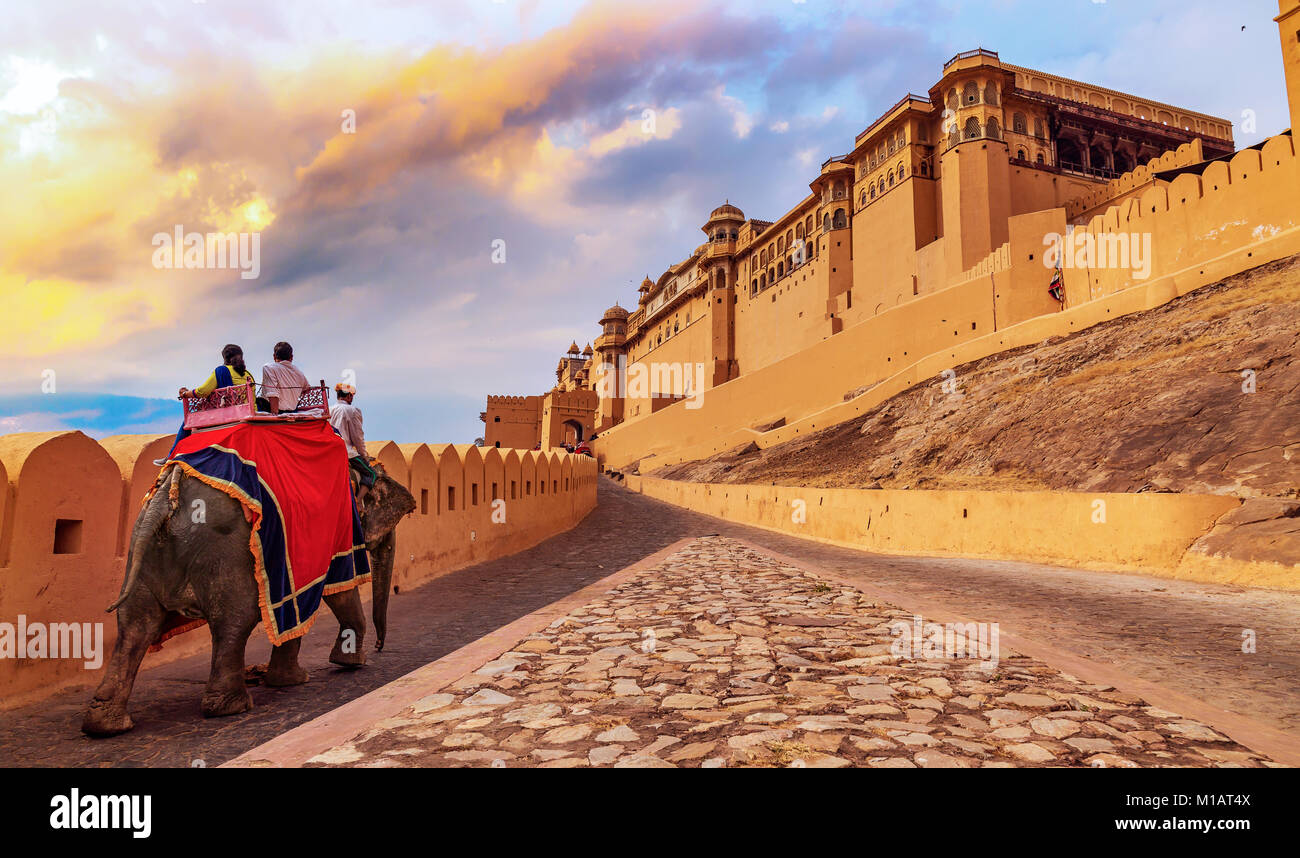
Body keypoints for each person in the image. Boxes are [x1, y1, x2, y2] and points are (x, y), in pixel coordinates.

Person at [156, 344, 257, 465]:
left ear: (224, 358)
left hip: (230, 414)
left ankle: (171, 456)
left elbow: (203, 391)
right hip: (250, 411)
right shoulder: (248, 374)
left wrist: (185, 394)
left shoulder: (221, 370)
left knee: (187, 422)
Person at [330, 383, 377, 490]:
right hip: (347, 452)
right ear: (349, 396)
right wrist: (364, 456)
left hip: (331, 451)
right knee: (372, 474)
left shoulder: (328, 410)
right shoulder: (353, 410)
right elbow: (358, 437)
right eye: (352, 396)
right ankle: (359, 500)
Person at [260, 341, 312, 414]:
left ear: (274, 356)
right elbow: (307, 389)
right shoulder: (299, 373)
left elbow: (273, 394)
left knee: (256, 401)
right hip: (293, 411)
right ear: (291, 357)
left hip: (272, 410)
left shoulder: (269, 368)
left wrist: (275, 415)